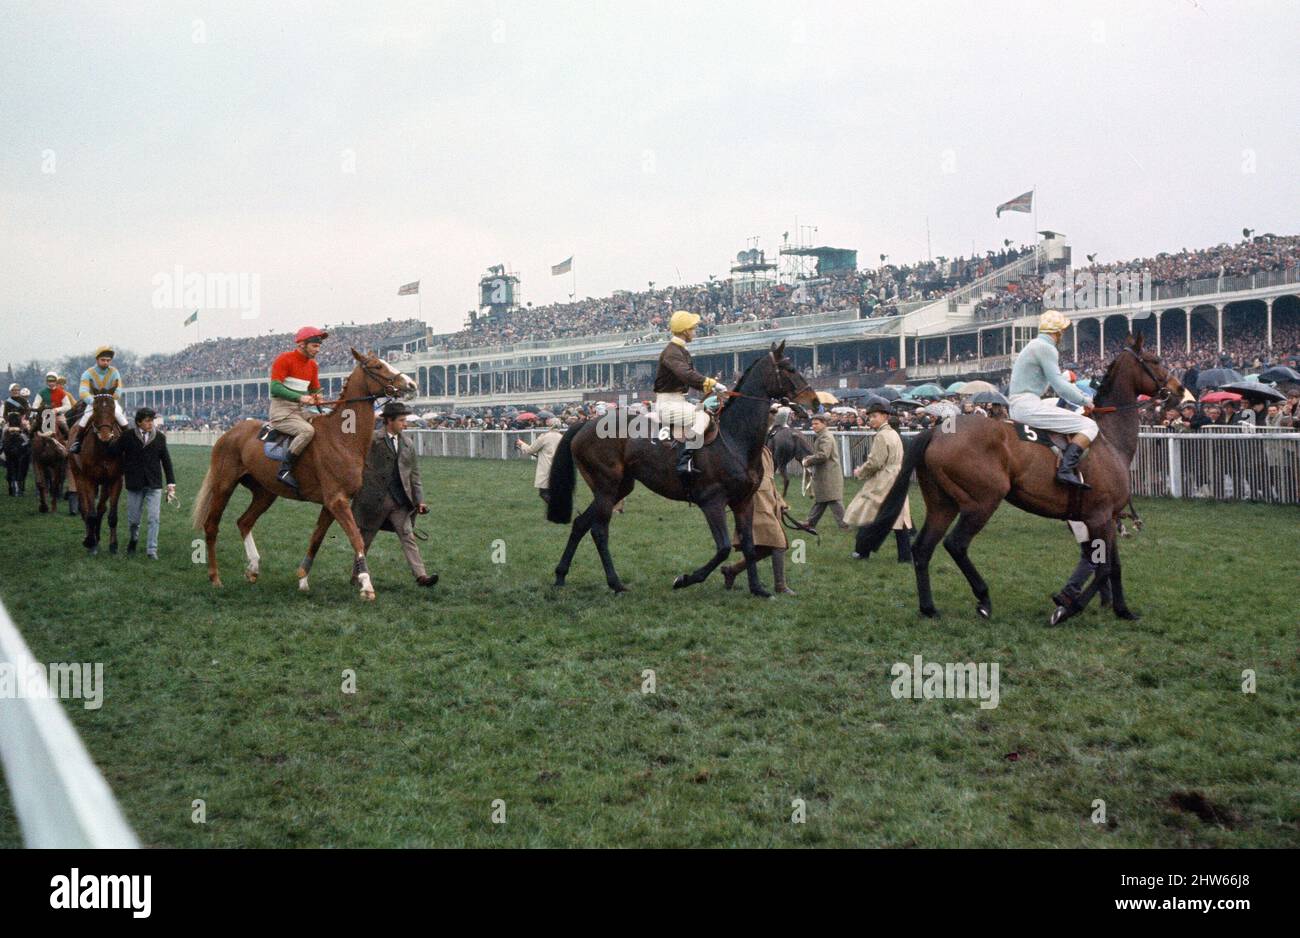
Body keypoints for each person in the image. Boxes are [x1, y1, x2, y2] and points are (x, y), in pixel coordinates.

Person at [1007, 310, 1097, 488]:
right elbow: (1059, 387)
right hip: (1027, 405)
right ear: (1056, 333)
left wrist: (1065, 381)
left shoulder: (1035, 345)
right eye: (1061, 331)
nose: (1062, 334)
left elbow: (1049, 383)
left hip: (1023, 402)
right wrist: (1086, 401)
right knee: (1090, 425)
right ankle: (1065, 470)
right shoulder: (1047, 348)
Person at [352, 401, 437, 588]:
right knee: (365, 540)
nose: (405, 424)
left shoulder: (408, 444)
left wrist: (420, 500)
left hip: (400, 503)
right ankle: (357, 576)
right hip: (375, 502)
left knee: (408, 536)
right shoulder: (372, 440)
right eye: (401, 420)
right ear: (389, 421)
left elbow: (415, 476)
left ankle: (421, 576)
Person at [720, 425, 795, 595]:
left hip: (769, 503)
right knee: (778, 544)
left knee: (765, 547)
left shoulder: (766, 452)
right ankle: (780, 586)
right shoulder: (745, 452)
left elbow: (770, 480)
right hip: (754, 504)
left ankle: (731, 571)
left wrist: (780, 501)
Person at [654, 310, 726, 486]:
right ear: (685, 331)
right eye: (693, 328)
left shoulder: (679, 350)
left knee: (707, 411)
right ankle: (684, 460)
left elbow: (688, 377)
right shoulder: (672, 352)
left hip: (677, 401)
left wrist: (709, 385)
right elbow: (686, 374)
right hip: (668, 405)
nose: (695, 331)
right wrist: (712, 383)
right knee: (703, 417)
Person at [846, 402, 913, 561]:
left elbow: (875, 462)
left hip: (885, 479)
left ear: (885, 416)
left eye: (874, 416)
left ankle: (862, 552)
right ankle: (905, 557)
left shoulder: (882, 435)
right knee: (899, 516)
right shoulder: (894, 433)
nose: (871, 420)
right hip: (898, 477)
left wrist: (860, 472)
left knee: (868, 512)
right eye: (869, 416)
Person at [106, 407, 176, 558]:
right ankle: (133, 539)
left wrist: (171, 484)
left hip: (154, 484)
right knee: (133, 520)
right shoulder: (127, 436)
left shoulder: (160, 438)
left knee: (154, 518)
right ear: (138, 422)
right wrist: (110, 439)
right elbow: (113, 452)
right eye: (147, 421)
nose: (151, 423)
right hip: (134, 485)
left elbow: (166, 461)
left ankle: (152, 550)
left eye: (152, 420)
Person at [269, 326, 328, 488]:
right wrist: (301, 397)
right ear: (302, 344)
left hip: (302, 411)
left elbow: (315, 388)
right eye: (314, 346)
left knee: (326, 423)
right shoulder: (284, 359)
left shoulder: (313, 366)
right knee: (307, 431)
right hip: (282, 411)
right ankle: (284, 470)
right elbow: (275, 388)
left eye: (319, 346)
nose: (318, 349)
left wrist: (318, 396)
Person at [68, 346, 130, 454]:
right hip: (94, 401)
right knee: (86, 417)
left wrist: (109, 400)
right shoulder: (88, 373)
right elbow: (83, 392)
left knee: (120, 416)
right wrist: (94, 402)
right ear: (97, 360)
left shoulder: (114, 372)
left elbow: (118, 390)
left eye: (108, 360)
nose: (106, 362)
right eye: (103, 360)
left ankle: (130, 442)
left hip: (110, 401)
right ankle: (77, 442)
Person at [801, 413, 848, 530]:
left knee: (833, 500)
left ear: (824, 424)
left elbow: (823, 455)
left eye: (816, 424)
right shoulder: (822, 435)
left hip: (828, 474)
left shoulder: (825, 437)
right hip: (826, 473)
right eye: (812, 424)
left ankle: (845, 525)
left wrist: (809, 461)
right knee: (822, 500)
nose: (814, 426)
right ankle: (810, 523)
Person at [517, 417, 565, 502]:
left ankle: (556, 508)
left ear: (550, 425)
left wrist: (521, 444)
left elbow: (530, 450)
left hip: (546, 469)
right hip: (559, 469)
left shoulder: (544, 437)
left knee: (544, 493)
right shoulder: (562, 438)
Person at [31, 371, 73, 437]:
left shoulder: (62, 393)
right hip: (43, 416)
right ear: (46, 381)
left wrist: (56, 410)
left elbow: (68, 406)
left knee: (66, 431)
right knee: (31, 429)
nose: (51, 383)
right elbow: (35, 404)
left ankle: (69, 445)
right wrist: (37, 413)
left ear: (56, 381)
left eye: (53, 381)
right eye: (49, 381)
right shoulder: (41, 393)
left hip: (58, 416)